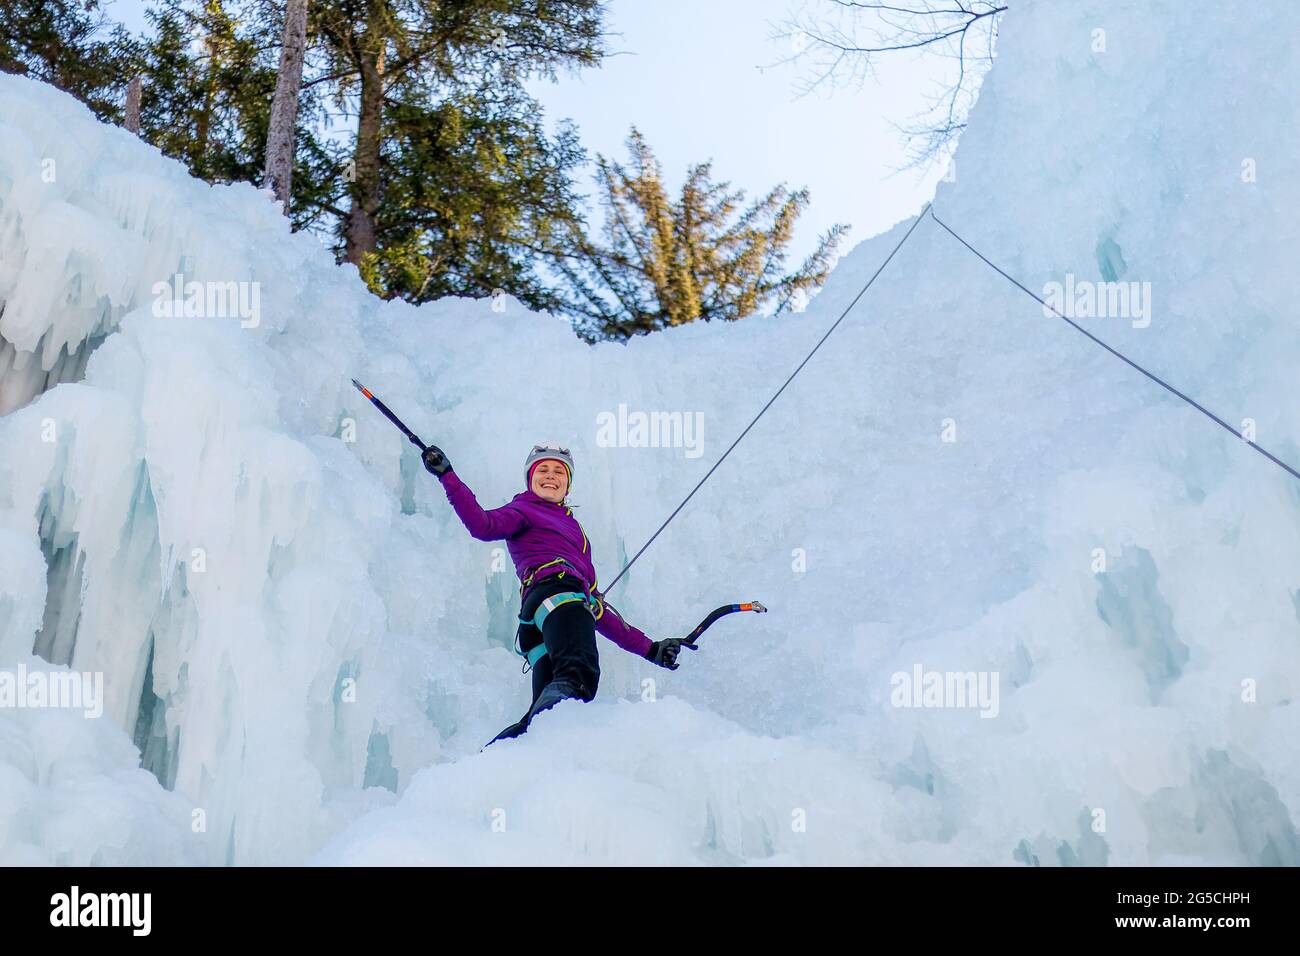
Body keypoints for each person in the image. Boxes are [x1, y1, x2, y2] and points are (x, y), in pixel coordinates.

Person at [422, 442, 690, 744]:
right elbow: (482, 526)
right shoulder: (523, 510)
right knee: (578, 676)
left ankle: (502, 758)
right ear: (530, 479)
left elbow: (595, 611)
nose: (551, 476)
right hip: (556, 595)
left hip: (546, 617)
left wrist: (651, 649)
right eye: (543, 470)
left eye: (559, 471)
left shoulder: (576, 534)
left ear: (568, 484)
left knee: (543, 720)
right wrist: (448, 476)